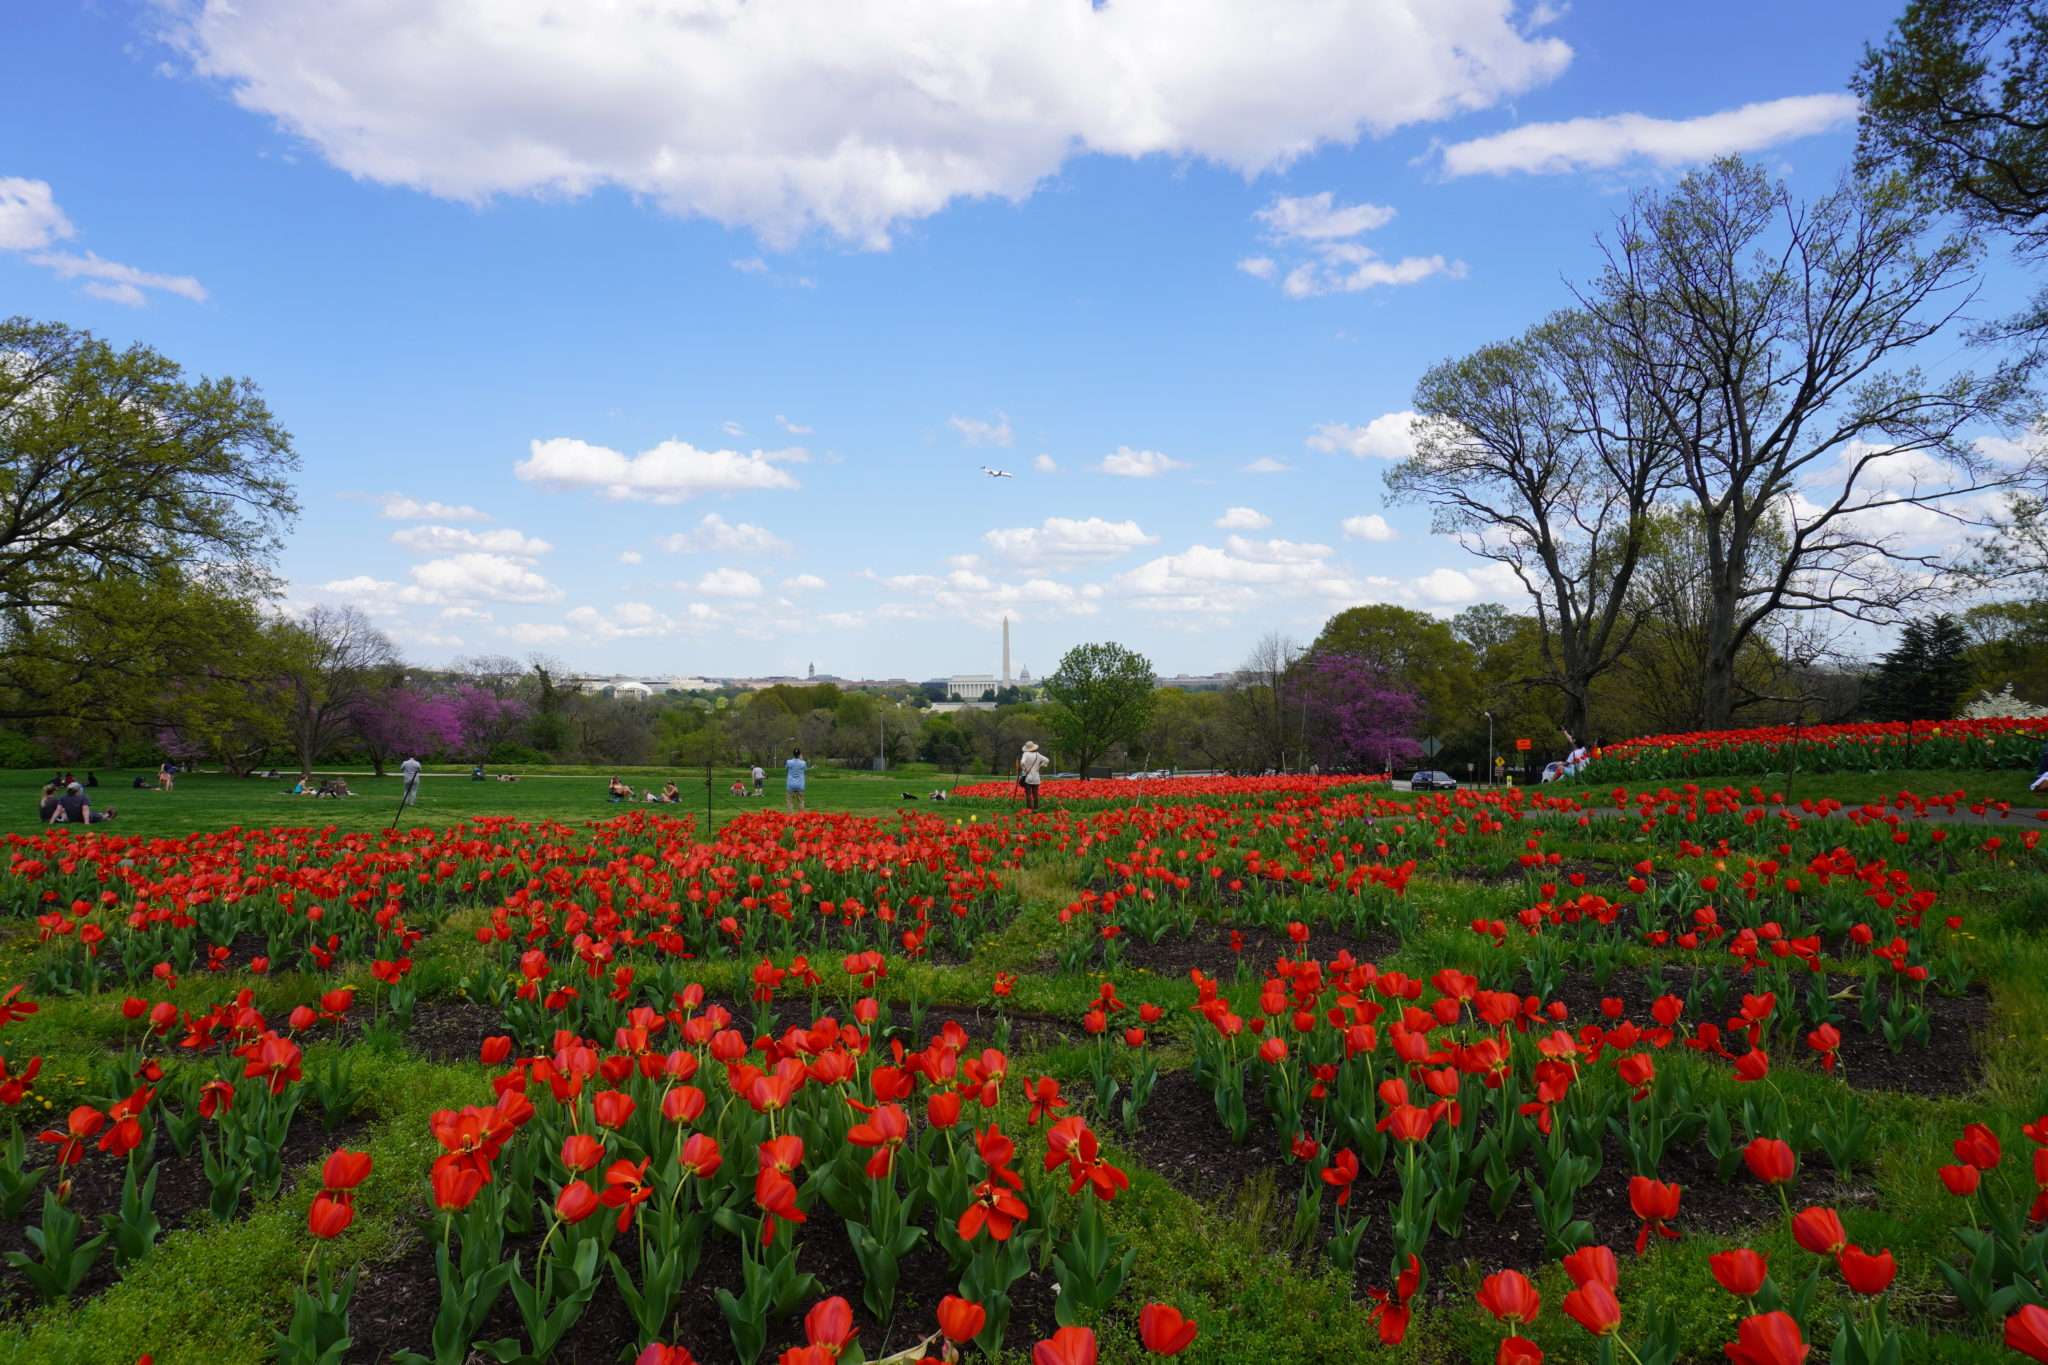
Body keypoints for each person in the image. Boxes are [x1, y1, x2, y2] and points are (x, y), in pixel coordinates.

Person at [1015, 739, 1049, 811]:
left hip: (1028, 777)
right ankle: (1036, 809)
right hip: (1036, 777)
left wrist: (1024, 768)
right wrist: (1039, 766)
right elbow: (1047, 760)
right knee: (1035, 794)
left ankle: (1029, 809)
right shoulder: (1038, 755)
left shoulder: (1026, 754)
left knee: (1028, 794)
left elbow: (1022, 762)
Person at [784, 749, 809, 813]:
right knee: (801, 801)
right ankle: (801, 815)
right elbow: (805, 770)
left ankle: (791, 815)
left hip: (790, 785)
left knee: (790, 800)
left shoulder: (788, 762)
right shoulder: (803, 762)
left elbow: (786, 769)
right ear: (800, 754)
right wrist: (802, 759)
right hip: (800, 785)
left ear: (793, 754)